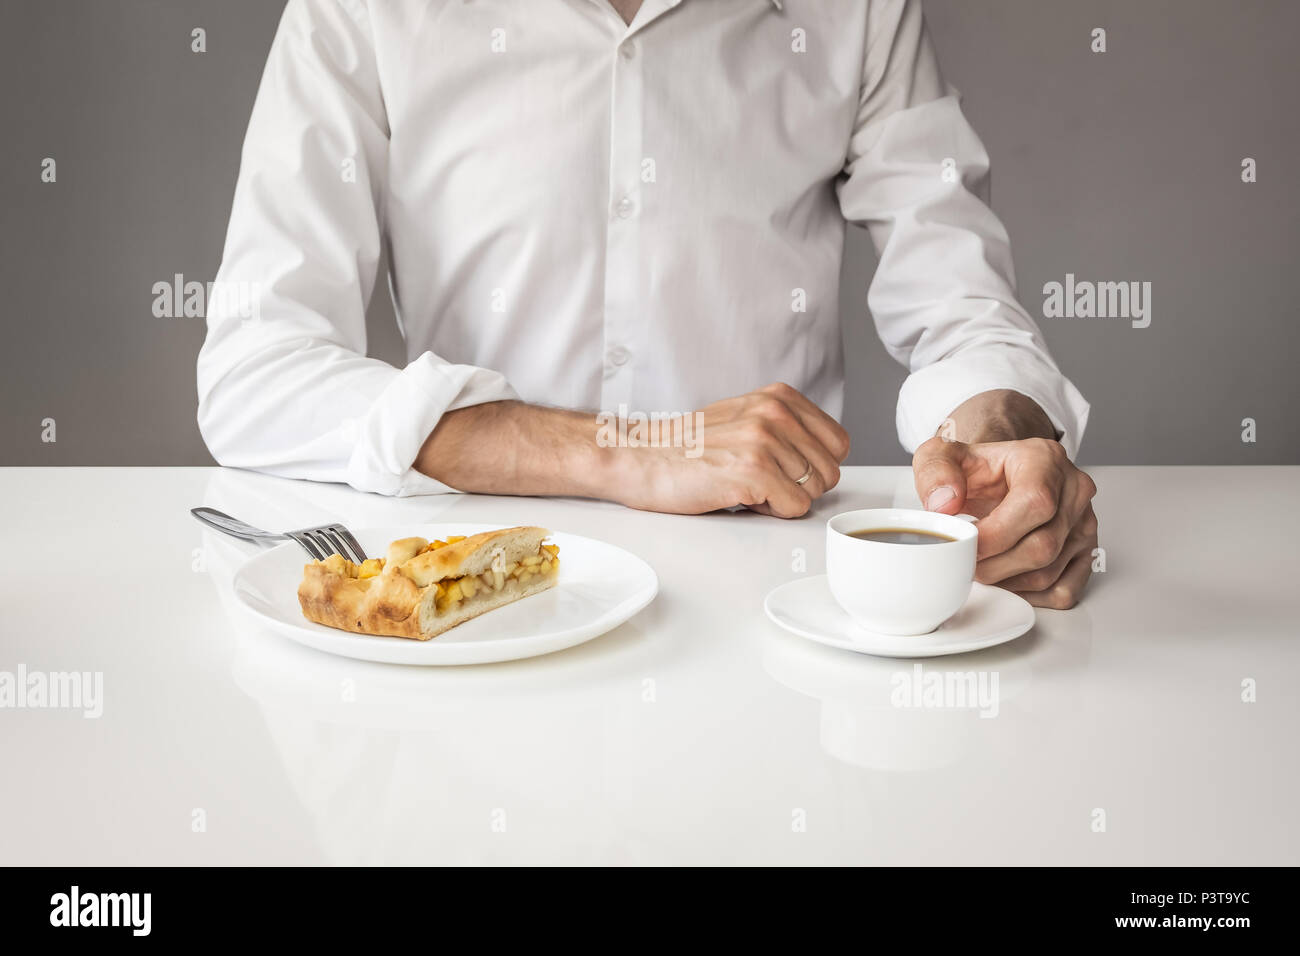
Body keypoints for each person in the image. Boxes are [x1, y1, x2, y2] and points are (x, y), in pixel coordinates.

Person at [197, 0, 1098, 608]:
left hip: (781, 609)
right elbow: (255, 369)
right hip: (469, 605)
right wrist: (622, 452)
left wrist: (1000, 432)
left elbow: (961, 305)